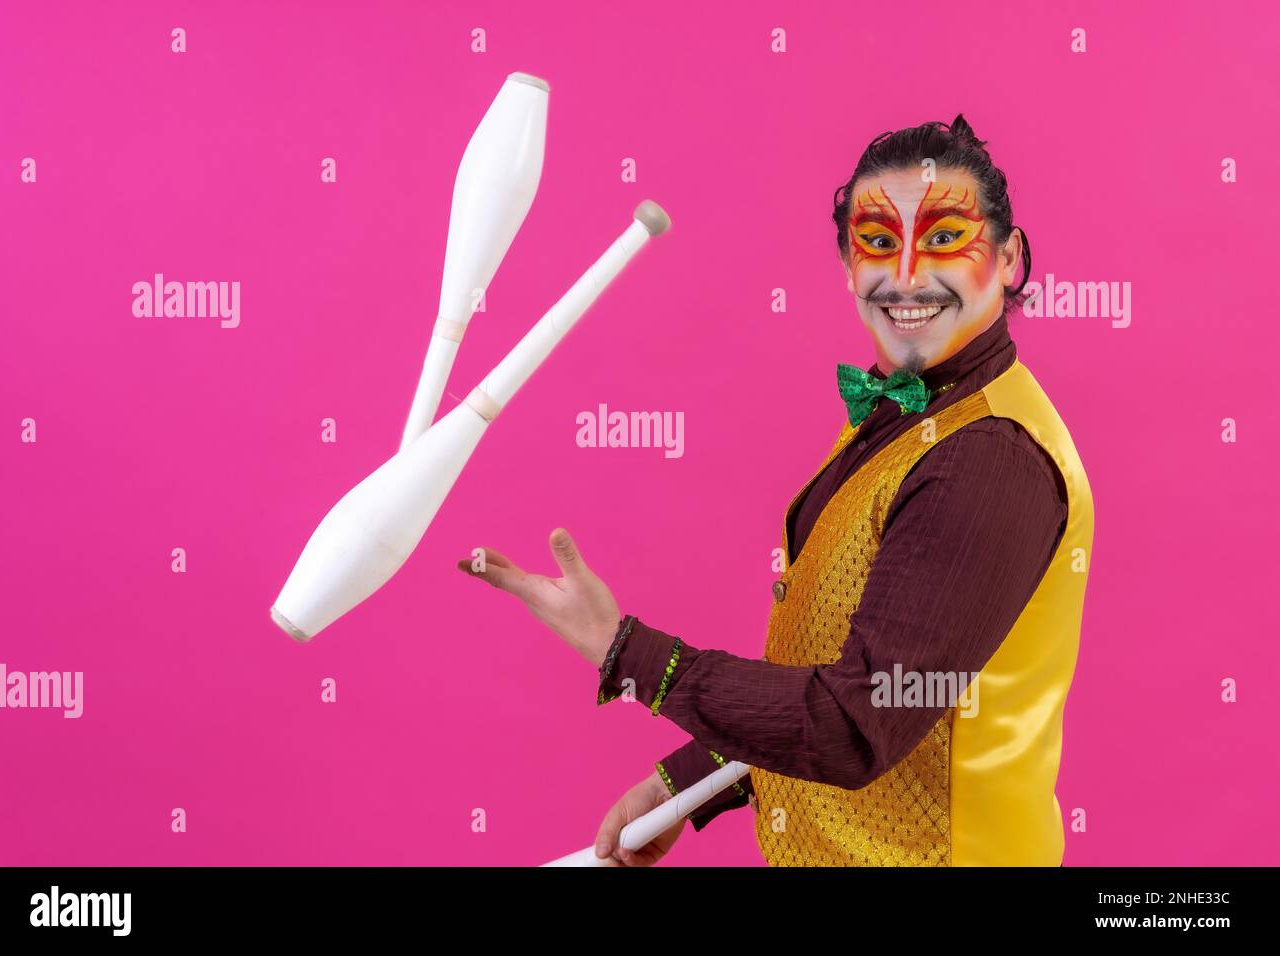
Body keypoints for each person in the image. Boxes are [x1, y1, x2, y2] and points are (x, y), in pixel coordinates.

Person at [458, 115, 1094, 867]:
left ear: (1011, 257)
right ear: (847, 267)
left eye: (948, 238)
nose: (909, 276)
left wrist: (624, 652)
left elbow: (856, 723)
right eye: (879, 243)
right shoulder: (909, 409)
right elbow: (839, 658)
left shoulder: (988, 459)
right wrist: (689, 783)